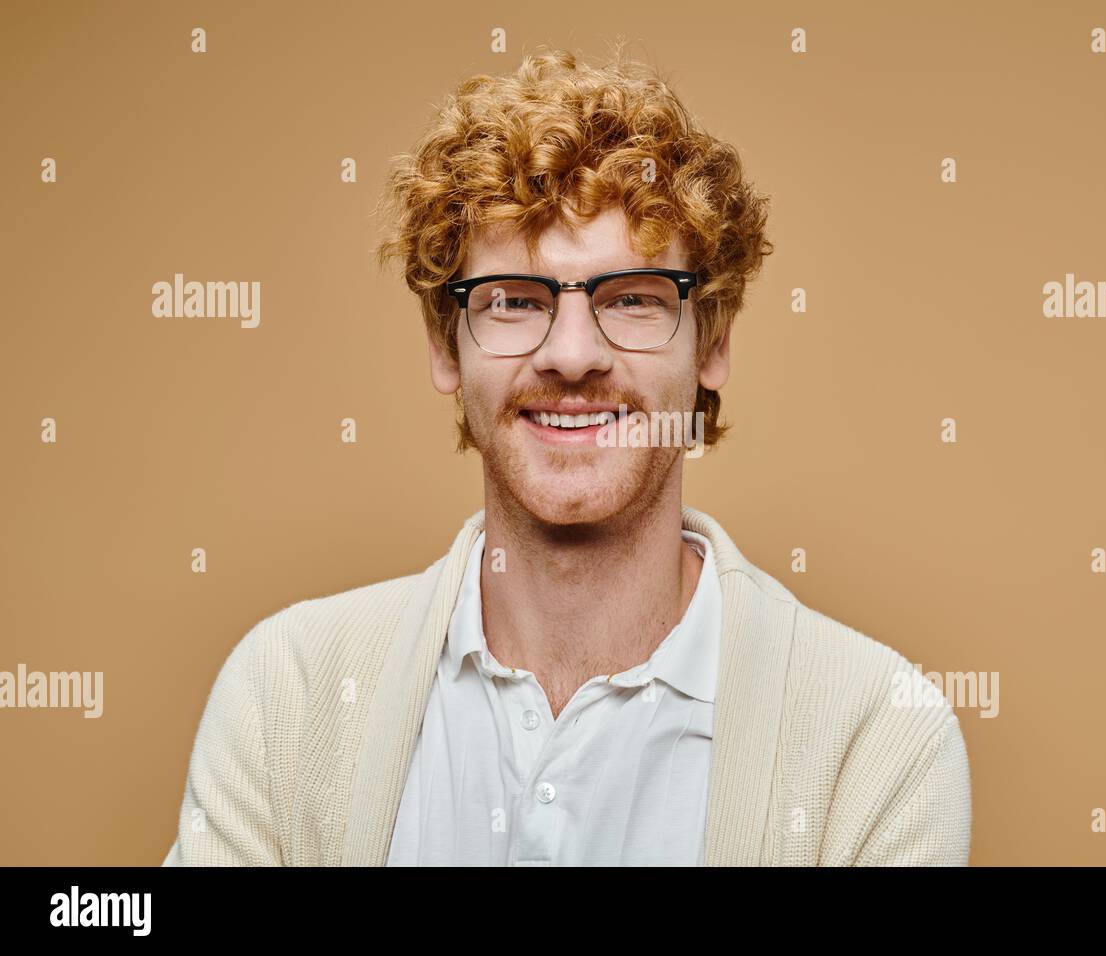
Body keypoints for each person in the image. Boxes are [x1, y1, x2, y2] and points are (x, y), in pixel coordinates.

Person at [162, 45, 970, 867]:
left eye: (633, 299)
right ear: (448, 344)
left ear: (713, 342)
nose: (573, 354)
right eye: (514, 301)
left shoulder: (877, 737)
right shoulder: (288, 694)